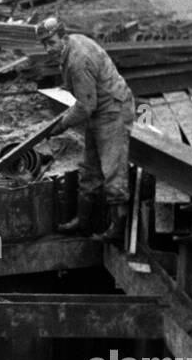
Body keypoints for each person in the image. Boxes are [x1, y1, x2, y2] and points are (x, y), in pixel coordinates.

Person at [38, 16, 136, 243]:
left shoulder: (78, 59)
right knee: (89, 169)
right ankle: (84, 223)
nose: (47, 49)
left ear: (63, 37)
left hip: (113, 111)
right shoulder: (71, 46)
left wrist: (60, 125)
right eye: (44, 44)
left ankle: (117, 232)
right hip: (98, 110)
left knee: (113, 171)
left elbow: (84, 106)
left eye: (51, 42)